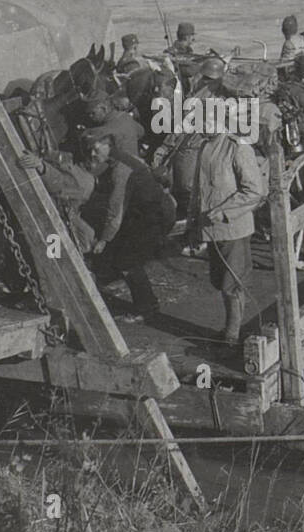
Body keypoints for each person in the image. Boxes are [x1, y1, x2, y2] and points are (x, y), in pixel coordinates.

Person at [189, 102, 265, 345]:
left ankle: (232, 336)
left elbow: (255, 191)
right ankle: (229, 329)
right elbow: (198, 192)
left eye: (204, 121)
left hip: (233, 228)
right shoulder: (204, 147)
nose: (199, 126)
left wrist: (224, 212)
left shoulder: (238, 147)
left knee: (233, 284)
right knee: (220, 281)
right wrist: (194, 225)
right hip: (212, 229)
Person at [81, 133, 174, 322]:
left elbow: (116, 211)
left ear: (109, 147)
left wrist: (104, 240)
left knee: (127, 261)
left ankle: (146, 308)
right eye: (90, 149)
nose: (92, 153)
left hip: (153, 217)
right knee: (124, 254)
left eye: (96, 149)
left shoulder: (120, 171)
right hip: (150, 213)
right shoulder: (125, 157)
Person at [83, 93, 145, 159]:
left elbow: (90, 135)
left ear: (104, 108)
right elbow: (141, 131)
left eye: (93, 113)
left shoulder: (105, 130)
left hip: (120, 165)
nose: (90, 116)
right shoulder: (125, 116)